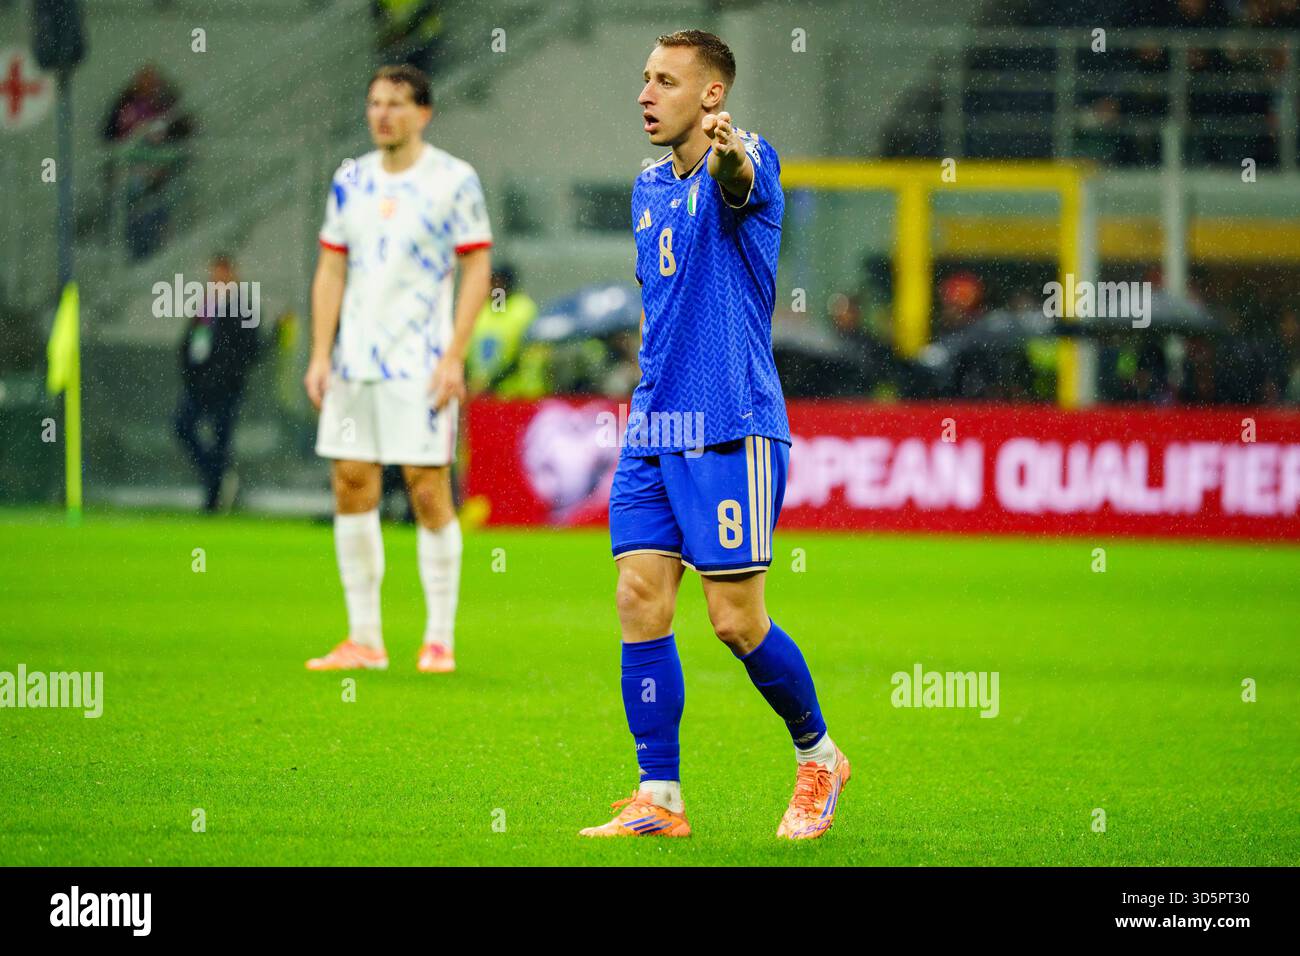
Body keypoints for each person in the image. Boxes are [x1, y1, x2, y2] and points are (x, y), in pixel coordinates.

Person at [580, 31, 848, 841]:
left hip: (731, 425)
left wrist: (728, 158)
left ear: (712, 97)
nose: (646, 94)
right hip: (655, 423)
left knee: (733, 620)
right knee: (639, 598)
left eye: (666, 81)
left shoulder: (749, 157)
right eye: (644, 78)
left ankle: (819, 755)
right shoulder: (645, 186)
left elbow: (737, 181)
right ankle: (658, 795)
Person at [303, 65, 492, 674]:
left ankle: (439, 638)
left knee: (427, 487)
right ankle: (364, 639)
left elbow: (476, 271)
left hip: (422, 362)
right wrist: (319, 352)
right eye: (375, 102)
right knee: (351, 482)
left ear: (424, 113)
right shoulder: (349, 179)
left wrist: (456, 353)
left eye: (397, 103)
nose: (383, 113)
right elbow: (332, 269)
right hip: (355, 362)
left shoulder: (454, 180)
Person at [175, 253, 260, 513]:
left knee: (221, 439)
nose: (217, 280)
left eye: (222, 275)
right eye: (214, 275)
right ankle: (217, 477)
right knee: (182, 427)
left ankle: (213, 499)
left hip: (226, 388)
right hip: (199, 387)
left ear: (233, 276)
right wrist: (192, 374)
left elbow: (250, 349)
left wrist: (226, 374)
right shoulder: (205, 308)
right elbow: (190, 344)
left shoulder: (244, 308)